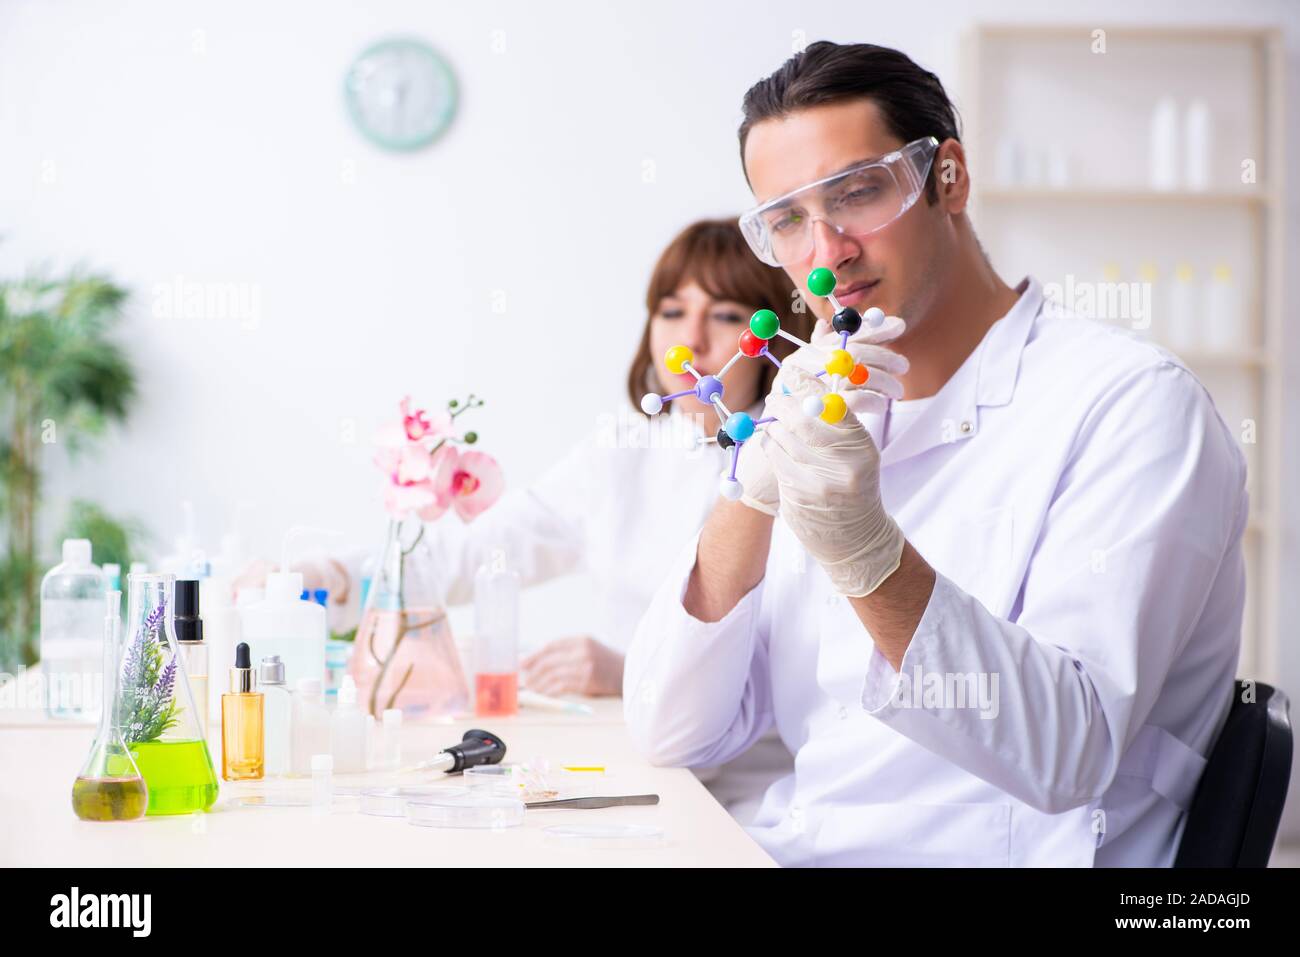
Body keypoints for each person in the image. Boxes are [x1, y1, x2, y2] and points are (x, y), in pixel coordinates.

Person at [624, 42, 1248, 866]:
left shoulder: (1131, 405)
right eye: (785, 220)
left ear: (946, 176)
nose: (826, 253)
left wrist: (865, 552)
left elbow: (1069, 750)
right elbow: (673, 728)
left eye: (855, 193)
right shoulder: (825, 411)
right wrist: (755, 491)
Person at [433, 218, 891, 820]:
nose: (692, 338)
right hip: (637, 761)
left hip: (760, 797)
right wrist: (338, 576)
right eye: (672, 311)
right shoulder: (623, 451)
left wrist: (626, 673)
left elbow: (785, 680)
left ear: (774, 335)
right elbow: (483, 549)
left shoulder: (810, 455)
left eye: (727, 315)